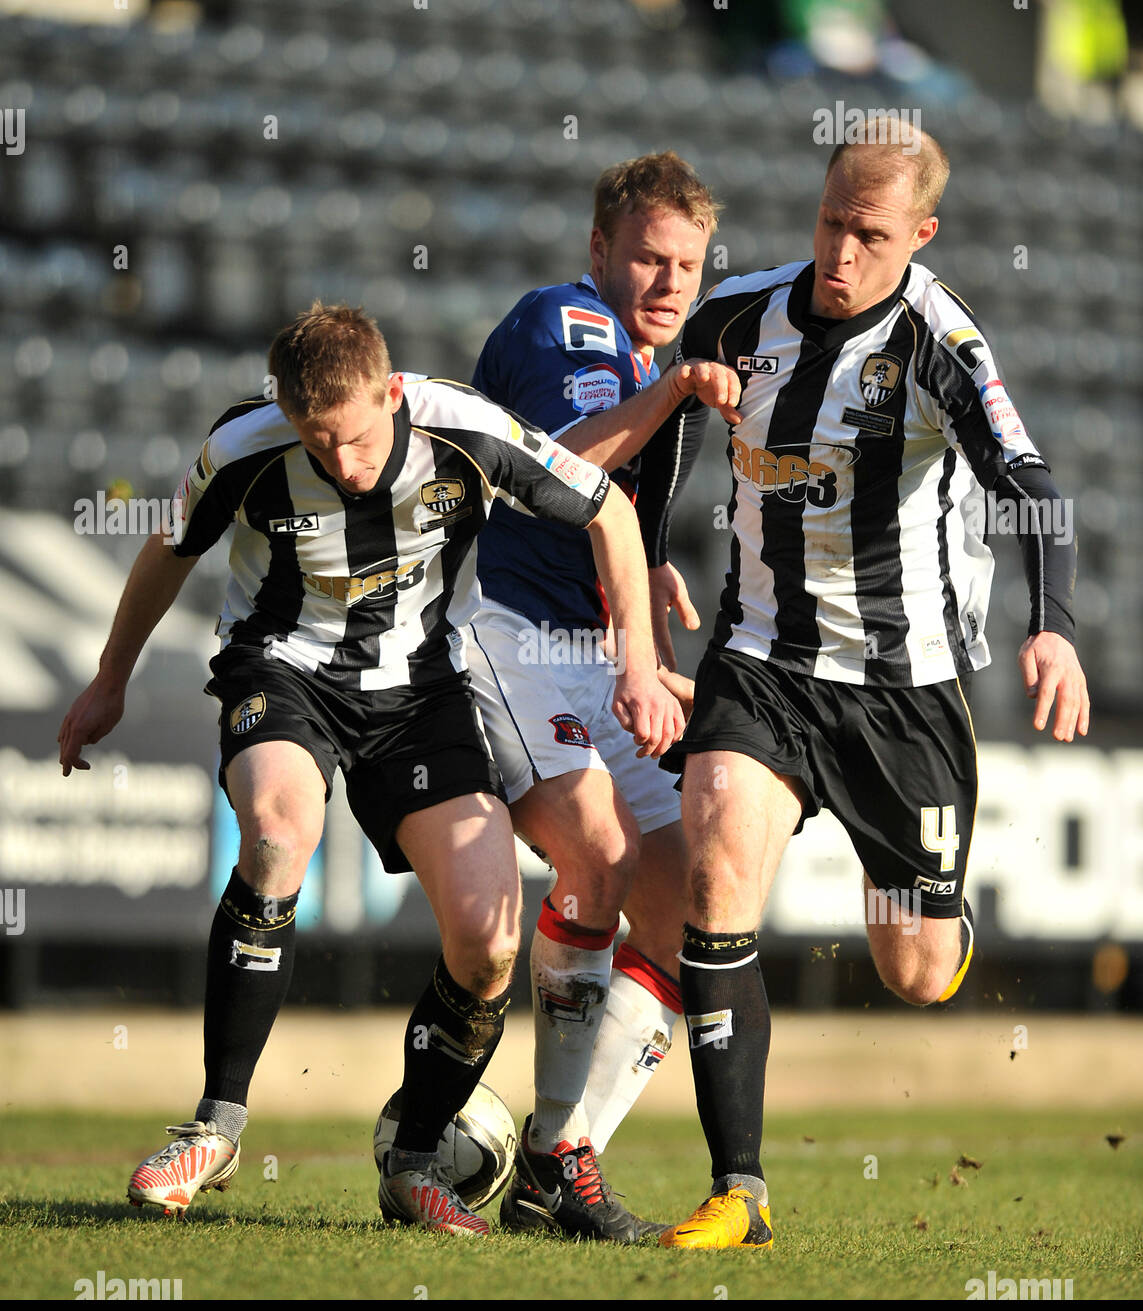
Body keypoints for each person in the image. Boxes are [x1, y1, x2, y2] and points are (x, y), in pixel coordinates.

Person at [56, 302, 682, 1237]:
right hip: (283, 667)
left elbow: (608, 509)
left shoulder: (463, 429)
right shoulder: (244, 445)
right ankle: (216, 1126)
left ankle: (415, 1160)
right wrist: (109, 680)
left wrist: (637, 661)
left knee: (490, 941)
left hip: (420, 693)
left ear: (390, 393)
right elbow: (168, 548)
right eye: (318, 442)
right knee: (276, 832)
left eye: (353, 439)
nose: (342, 464)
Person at [638, 120, 1090, 1249]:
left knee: (916, 969)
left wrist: (1055, 627)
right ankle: (739, 1185)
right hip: (763, 663)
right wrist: (644, 552)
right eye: (830, 221)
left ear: (919, 238)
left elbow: (1029, 481)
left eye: (870, 235)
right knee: (713, 863)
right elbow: (658, 432)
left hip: (903, 695)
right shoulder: (741, 314)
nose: (839, 253)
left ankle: (944, 919)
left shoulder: (941, 341)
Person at [465, 151, 740, 1241]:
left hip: (599, 640)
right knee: (599, 851)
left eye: (688, 264)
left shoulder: (638, 346)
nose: (669, 282)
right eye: (646, 257)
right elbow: (567, 459)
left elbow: (613, 505)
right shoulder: (569, 324)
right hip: (516, 635)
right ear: (599, 252)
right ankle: (524, 1141)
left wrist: (648, 573)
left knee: (690, 910)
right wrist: (671, 388)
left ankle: (555, 1158)